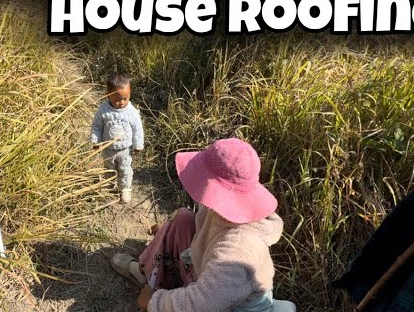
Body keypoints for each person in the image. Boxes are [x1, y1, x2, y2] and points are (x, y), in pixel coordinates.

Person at [109, 138, 293, 311]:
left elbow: (201, 304)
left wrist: (155, 303)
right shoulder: (222, 211)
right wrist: (168, 233)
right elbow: (203, 229)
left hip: (227, 305)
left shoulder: (238, 255)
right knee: (182, 219)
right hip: (211, 276)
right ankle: (148, 273)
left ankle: (157, 286)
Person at [91, 73, 145, 205]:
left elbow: (138, 128)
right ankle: (109, 184)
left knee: (125, 169)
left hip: (125, 149)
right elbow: (97, 126)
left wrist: (138, 144)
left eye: (125, 98)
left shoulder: (131, 111)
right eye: (117, 99)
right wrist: (95, 140)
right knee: (108, 168)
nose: (121, 102)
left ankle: (125, 188)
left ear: (130, 94)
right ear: (108, 94)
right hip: (108, 149)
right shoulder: (103, 110)